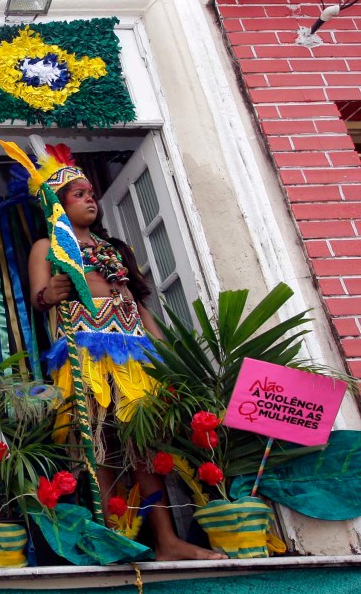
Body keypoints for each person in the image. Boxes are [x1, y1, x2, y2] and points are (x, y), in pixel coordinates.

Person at [25, 142, 223, 562]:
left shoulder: (113, 248)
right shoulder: (48, 246)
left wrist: (165, 353)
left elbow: (136, 302)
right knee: (101, 445)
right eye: (79, 194)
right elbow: (39, 297)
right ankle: (117, 539)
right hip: (86, 353)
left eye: (92, 194)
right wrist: (52, 292)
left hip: (132, 354)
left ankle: (166, 540)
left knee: (142, 445)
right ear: (57, 204)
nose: (90, 199)